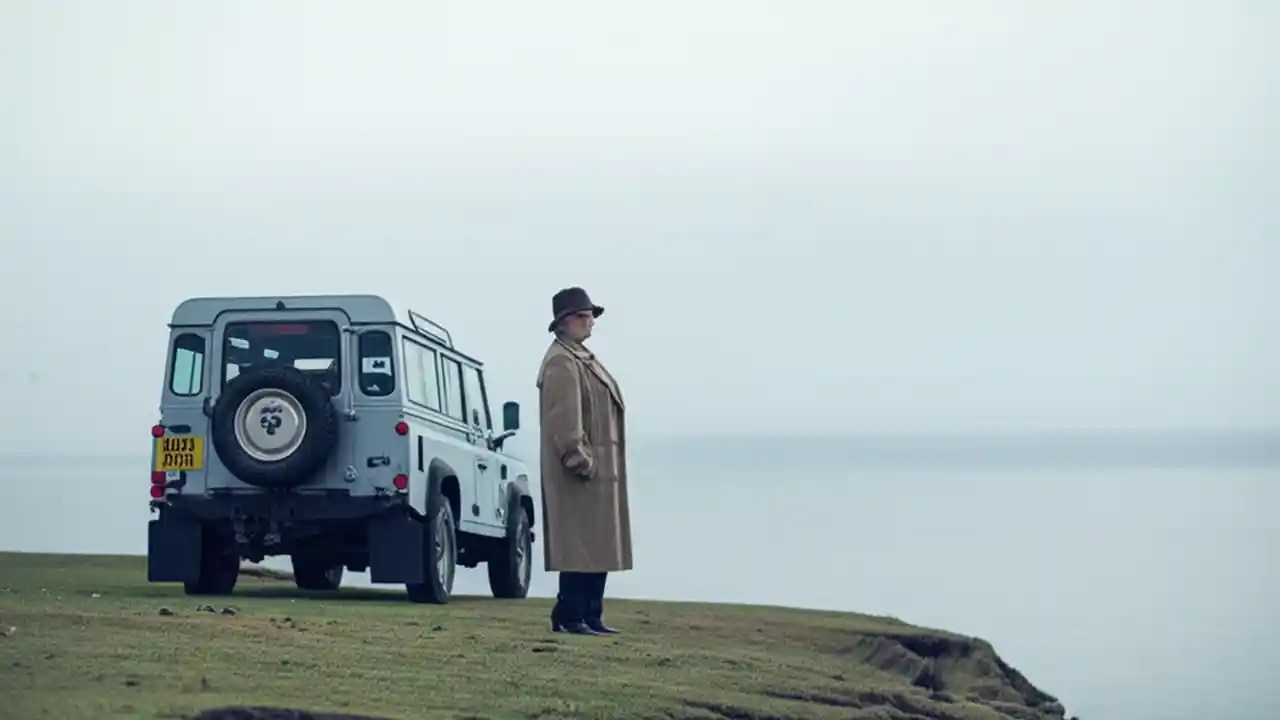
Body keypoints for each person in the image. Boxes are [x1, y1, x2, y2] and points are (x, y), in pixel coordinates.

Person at [537, 286, 633, 636]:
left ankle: (591, 614)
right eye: (582, 315)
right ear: (563, 323)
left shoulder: (581, 357)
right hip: (580, 474)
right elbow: (565, 422)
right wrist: (583, 461)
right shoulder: (562, 361)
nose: (589, 321)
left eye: (590, 315)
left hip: (598, 473)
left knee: (598, 547)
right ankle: (571, 614)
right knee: (580, 548)